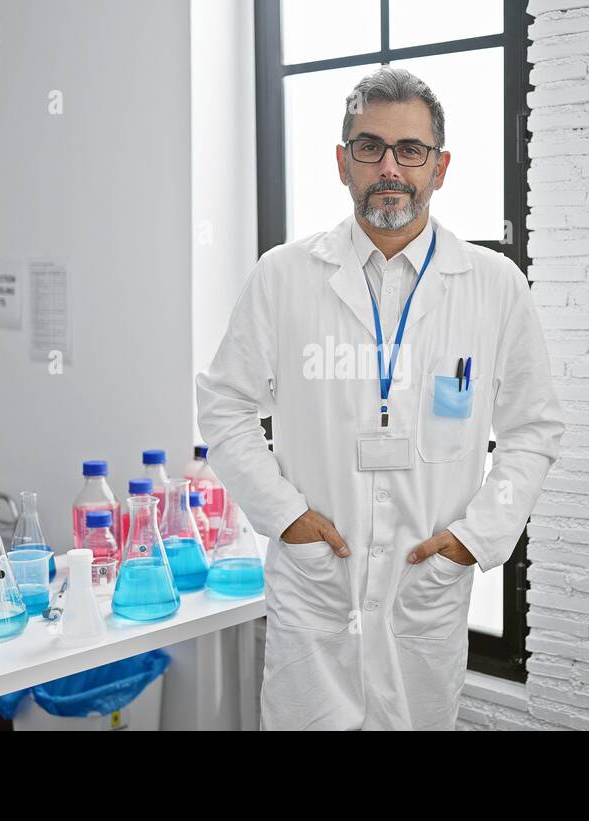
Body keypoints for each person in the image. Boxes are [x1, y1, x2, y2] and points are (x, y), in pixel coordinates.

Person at [196, 67, 562, 730]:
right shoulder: (283, 277)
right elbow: (224, 405)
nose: (390, 167)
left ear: (440, 167)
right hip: (316, 593)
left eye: (410, 150)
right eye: (370, 147)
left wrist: (472, 539)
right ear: (343, 162)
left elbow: (534, 428)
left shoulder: (494, 286)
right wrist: (284, 515)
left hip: (424, 595)